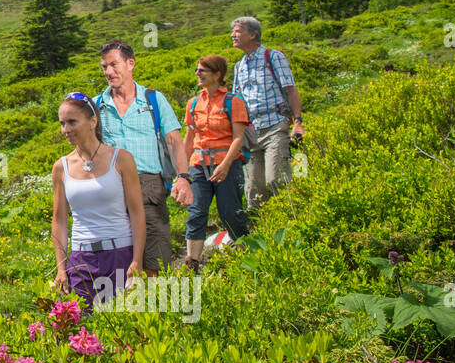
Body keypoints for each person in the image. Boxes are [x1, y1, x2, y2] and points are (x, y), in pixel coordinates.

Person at [94, 40, 191, 274]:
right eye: (104, 67)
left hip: (149, 185)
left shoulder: (154, 100)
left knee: (155, 257)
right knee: (115, 257)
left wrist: (184, 178)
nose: (108, 72)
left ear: (130, 64)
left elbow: (174, 141)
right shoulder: (97, 105)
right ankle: (120, 305)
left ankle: (156, 306)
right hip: (111, 188)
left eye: (114, 65)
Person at [53, 93, 147, 308]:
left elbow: (136, 212)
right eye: (62, 123)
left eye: (72, 122)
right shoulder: (61, 167)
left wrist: (137, 260)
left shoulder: (121, 159)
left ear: (93, 121)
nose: (65, 130)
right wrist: (61, 267)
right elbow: (59, 221)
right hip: (80, 259)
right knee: (84, 329)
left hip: (120, 255)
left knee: (125, 327)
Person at [229, 17, 305, 211]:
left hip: (275, 126)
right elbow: (237, 102)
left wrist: (298, 122)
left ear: (252, 34)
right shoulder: (239, 67)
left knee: (277, 179)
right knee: (254, 190)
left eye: (237, 31)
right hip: (251, 132)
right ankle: (262, 231)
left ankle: (294, 218)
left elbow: (290, 90)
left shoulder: (273, 57)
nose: (233, 36)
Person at [182, 55, 250, 263]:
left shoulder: (233, 102)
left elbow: (238, 137)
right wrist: (182, 173)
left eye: (203, 70)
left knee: (231, 213)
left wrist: (226, 164)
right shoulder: (193, 103)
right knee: (196, 212)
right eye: (197, 69)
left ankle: (244, 255)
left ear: (218, 74)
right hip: (199, 165)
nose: (197, 73)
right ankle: (192, 262)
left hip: (227, 165)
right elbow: (190, 138)